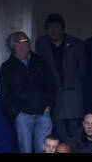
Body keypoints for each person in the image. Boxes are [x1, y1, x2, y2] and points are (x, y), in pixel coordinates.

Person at [33, 14, 86, 146]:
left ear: (62, 29)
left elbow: (82, 68)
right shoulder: (41, 44)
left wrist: (73, 82)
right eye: (49, 28)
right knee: (60, 132)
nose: (52, 31)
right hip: (55, 95)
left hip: (73, 94)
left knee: (74, 130)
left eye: (56, 27)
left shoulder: (76, 43)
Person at [0, 31, 55, 154]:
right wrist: (17, 113)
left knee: (44, 150)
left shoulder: (39, 61)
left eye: (28, 40)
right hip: (23, 115)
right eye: (25, 41)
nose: (29, 43)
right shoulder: (8, 67)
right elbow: (5, 94)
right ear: (16, 45)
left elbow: (50, 84)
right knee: (25, 150)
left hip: (43, 113)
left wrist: (48, 104)